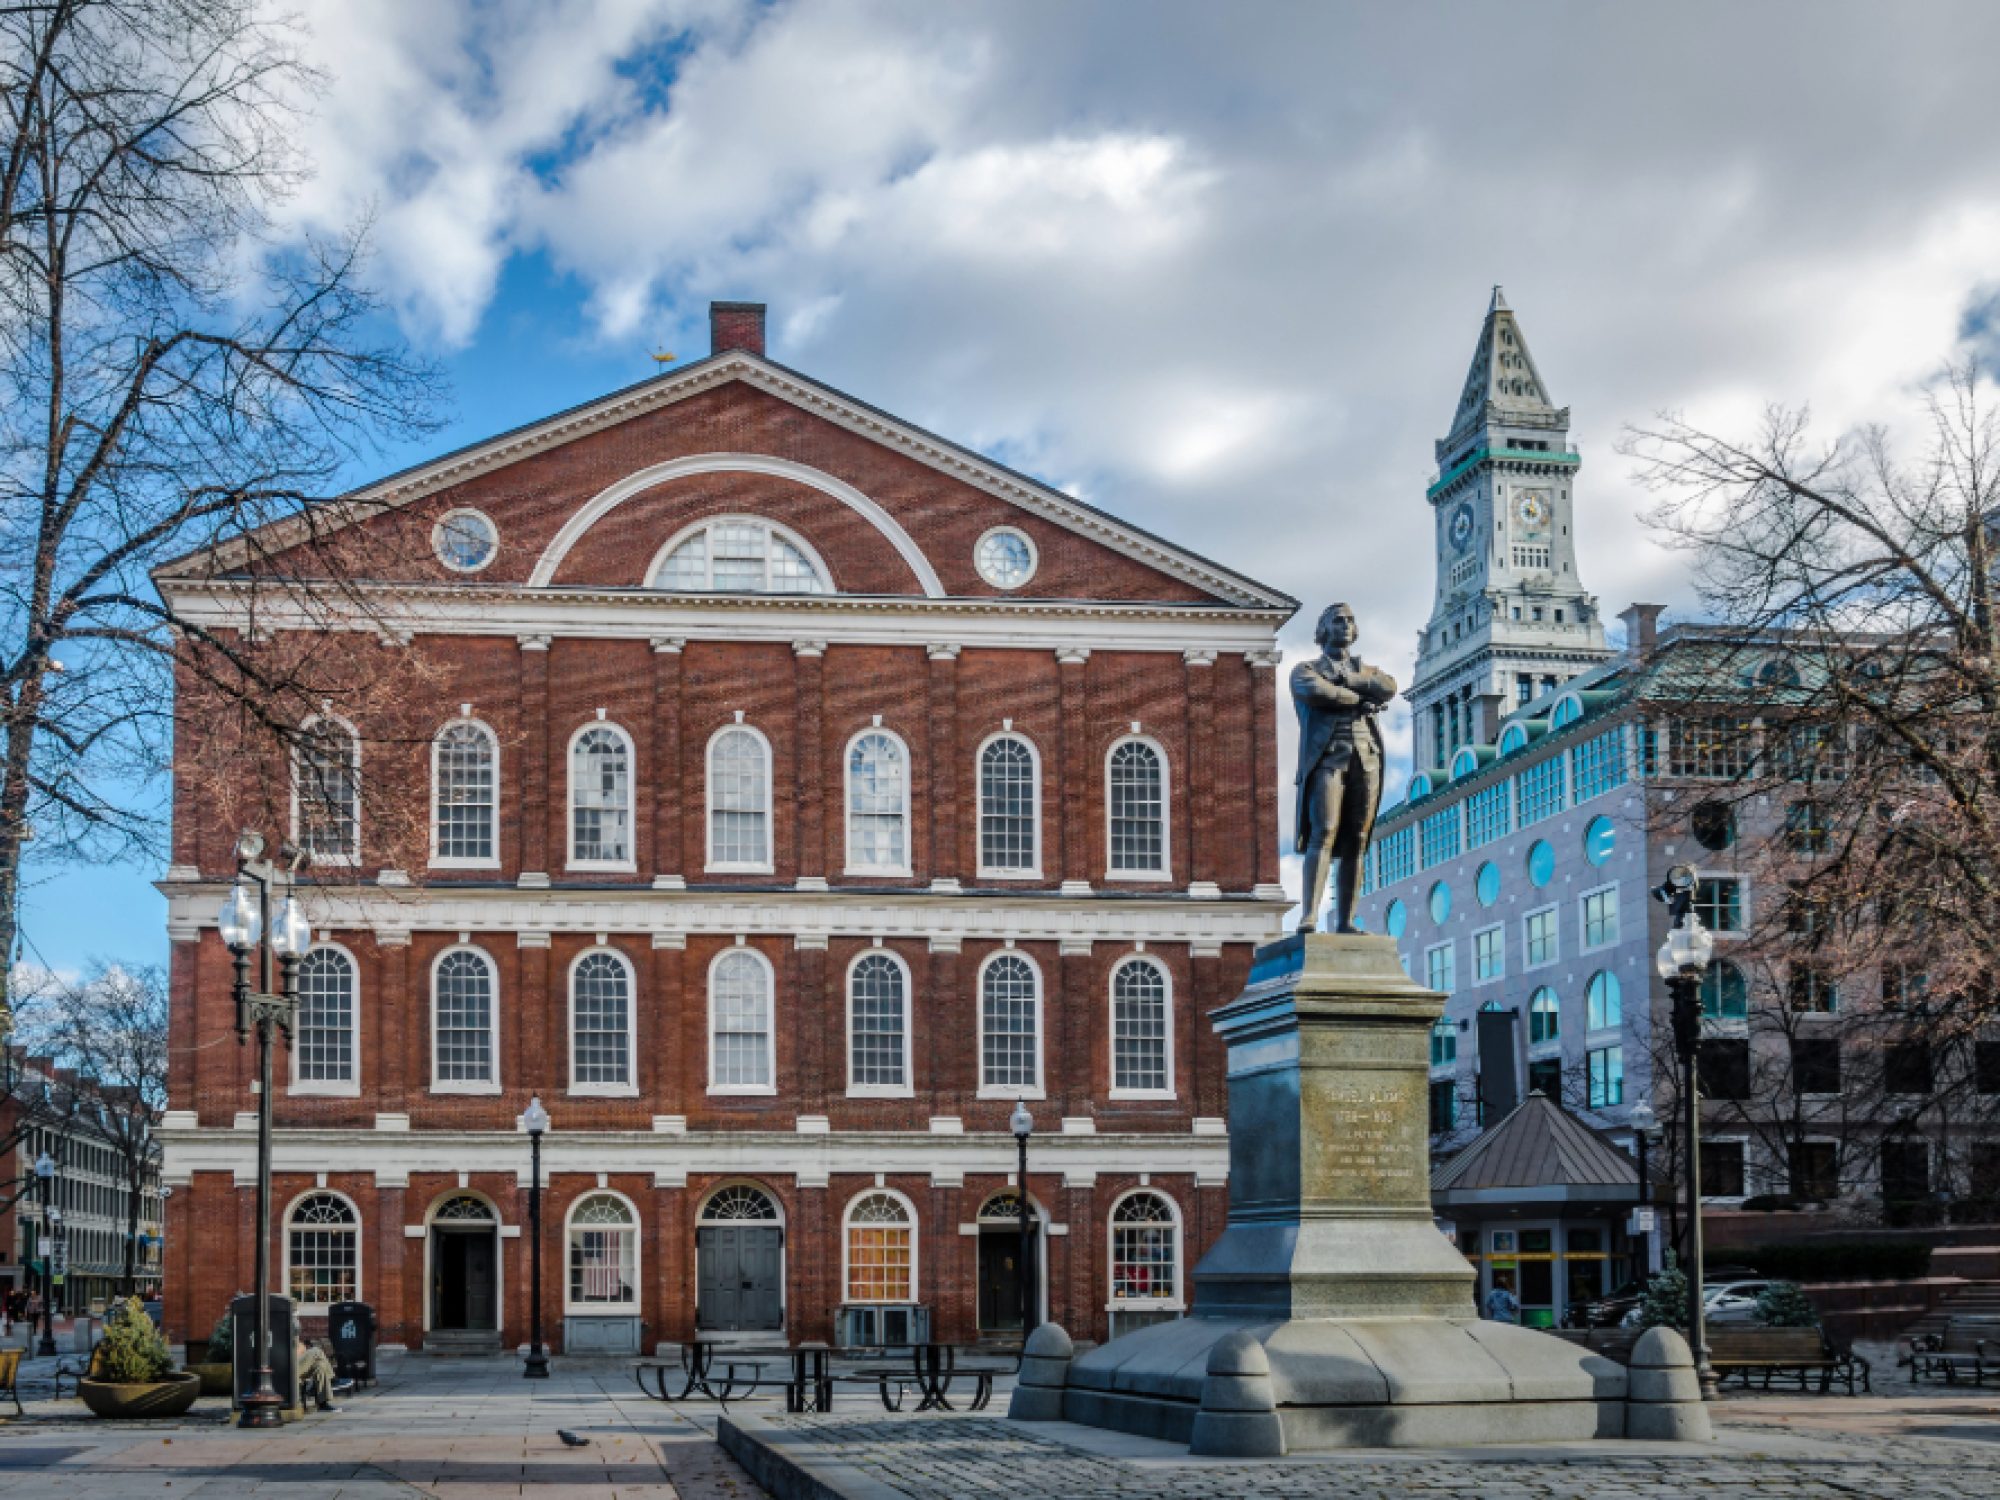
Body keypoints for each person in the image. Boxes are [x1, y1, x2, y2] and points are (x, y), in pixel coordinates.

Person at [1291, 602, 1398, 934]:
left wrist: (1351, 679)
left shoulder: (1367, 670)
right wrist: (1358, 697)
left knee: (1358, 838)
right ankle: (1309, 915)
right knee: (1323, 831)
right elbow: (1319, 692)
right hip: (1327, 758)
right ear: (1324, 629)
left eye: (1351, 620)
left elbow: (1389, 687)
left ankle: (1346, 921)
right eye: (1338, 621)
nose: (1346, 625)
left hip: (1366, 758)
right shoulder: (1305, 669)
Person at [296, 1333, 340, 1413]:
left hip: (298, 1366)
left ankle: (323, 1404)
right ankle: (332, 1377)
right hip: (290, 1368)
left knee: (320, 1366)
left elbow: (301, 1348)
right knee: (316, 1351)